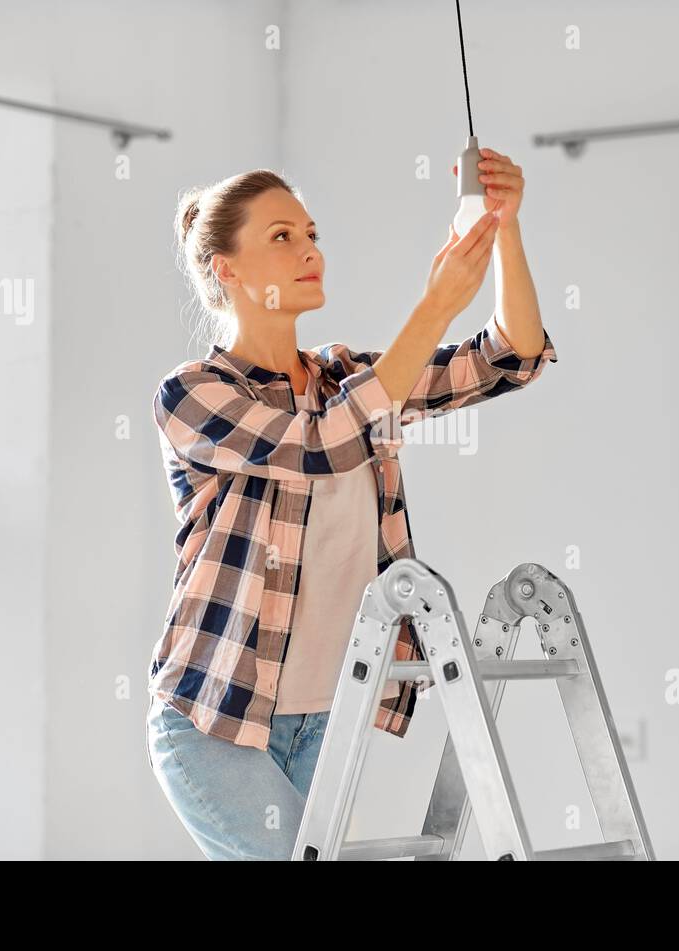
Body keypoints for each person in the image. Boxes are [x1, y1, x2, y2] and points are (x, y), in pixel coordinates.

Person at [146, 151, 558, 859]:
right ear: (228, 270)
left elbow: (510, 357)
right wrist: (433, 307)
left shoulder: (348, 377)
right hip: (213, 722)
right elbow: (321, 445)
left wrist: (505, 228)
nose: (309, 249)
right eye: (281, 236)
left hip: (325, 718)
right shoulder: (192, 394)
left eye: (311, 233)